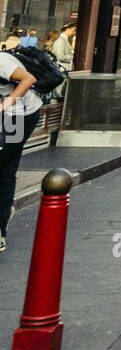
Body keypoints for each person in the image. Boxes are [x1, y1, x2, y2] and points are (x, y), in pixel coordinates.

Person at [0, 47, 43, 252]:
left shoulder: (1, 62)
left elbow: (29, 79)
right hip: (7, 117)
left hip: (19, 117)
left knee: (4, 162)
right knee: (6, 172)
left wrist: (4, 105)